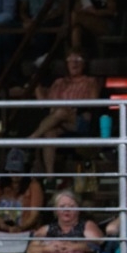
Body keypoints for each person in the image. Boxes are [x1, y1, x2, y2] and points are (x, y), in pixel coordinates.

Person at [28, 46, 102, 179]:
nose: (74, 62)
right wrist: (35, 80)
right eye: (71, 59)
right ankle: (50, 175)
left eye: (78, 59)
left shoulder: (90, 81)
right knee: (49, 132)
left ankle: (32, 138)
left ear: (84, 63)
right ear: (66, 63)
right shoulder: (59, 82)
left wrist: (71, 107)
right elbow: (44, 103)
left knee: (62, 111)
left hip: (79, 121)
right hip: (58, 121)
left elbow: (93, 102)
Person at [14, 189, 104, 253]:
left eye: (71, 206)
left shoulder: (86, 225)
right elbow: (30, 251)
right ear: (55, 210)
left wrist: (74, 246)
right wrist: (47, 248)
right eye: (62, 207)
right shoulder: (46, 229)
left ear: (78, 209)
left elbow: (98, 243)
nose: (66, 210)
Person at [0, 148, 44, 234]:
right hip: (0, 231)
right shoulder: (0, 184)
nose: (15, 174)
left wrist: (20, 228)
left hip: (23, 232)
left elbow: (34, 215)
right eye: (12, 171)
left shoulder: (33, 185)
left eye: (18, 171)